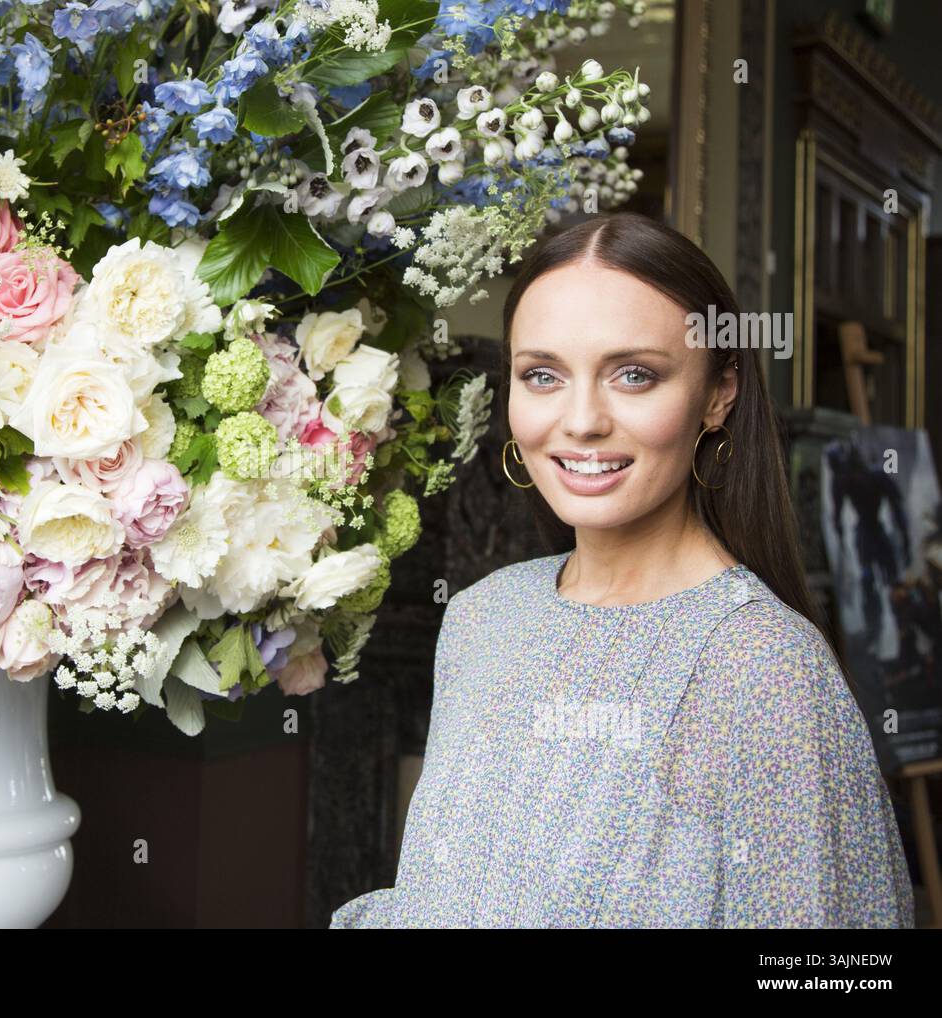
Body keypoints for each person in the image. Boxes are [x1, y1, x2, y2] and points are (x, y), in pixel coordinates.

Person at [329, 212, 915, 928]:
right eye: (542, 375)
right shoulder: (483, 617)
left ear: (718, 392)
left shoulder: (764, 668)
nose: (581, 421)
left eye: (633, 375)